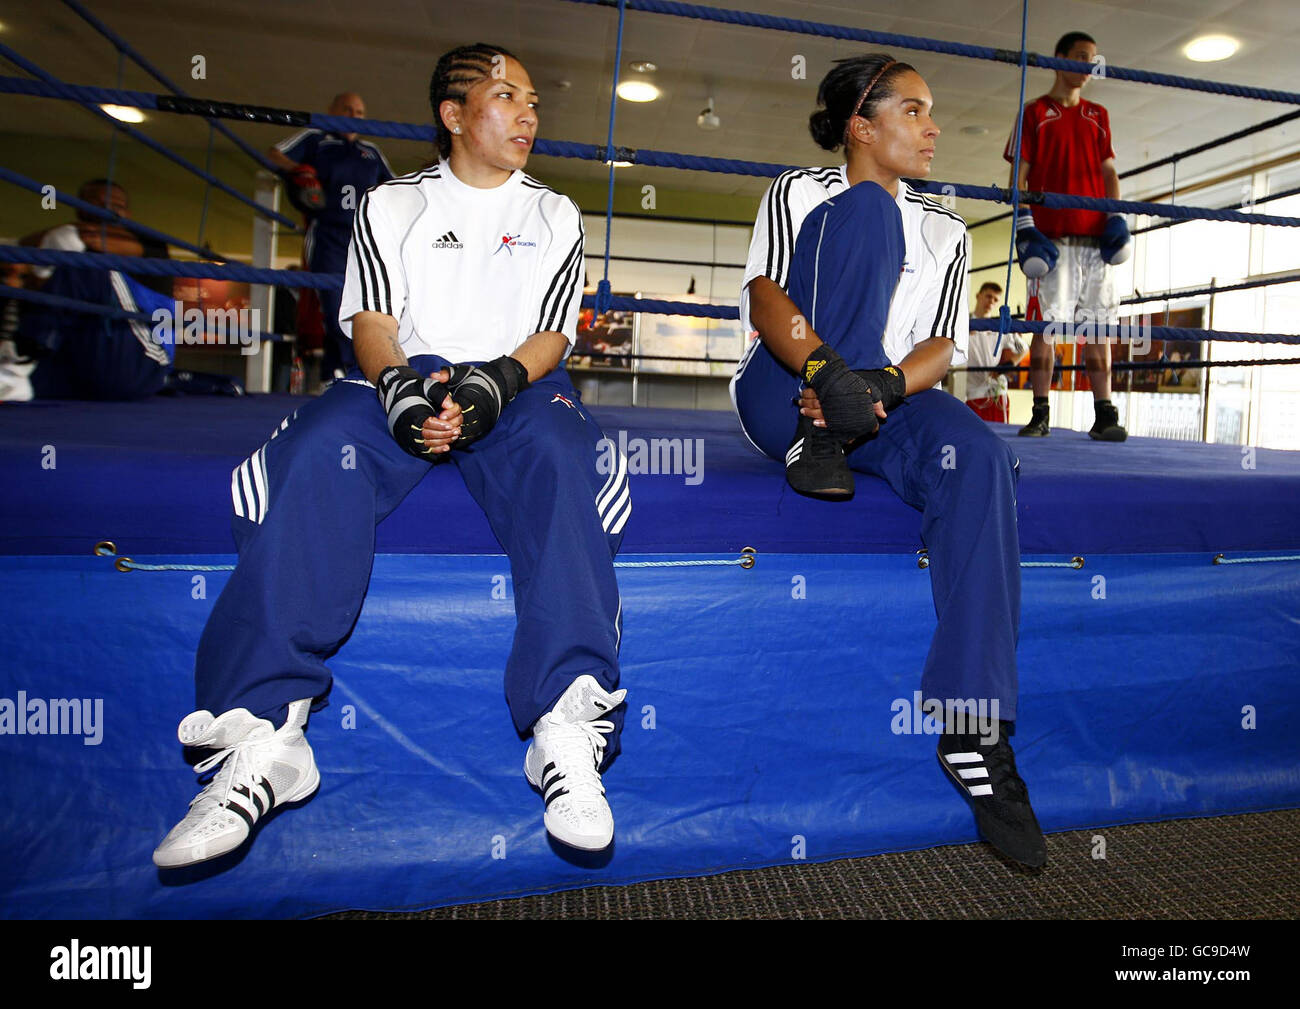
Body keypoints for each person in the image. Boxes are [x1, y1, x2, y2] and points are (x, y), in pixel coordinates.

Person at [154, 43, 629, 868]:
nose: (528, 113)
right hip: (403, 372)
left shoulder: (556, 213)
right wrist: (405, 390)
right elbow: (372, 320)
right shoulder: (391, 202)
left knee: (560, 450)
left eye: (534, 102)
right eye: (507, 96)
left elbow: (551, 332)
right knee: (318, 449)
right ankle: (264, 738)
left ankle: (565, 725)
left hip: (515, 386)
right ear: (453, 114)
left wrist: (497, 384)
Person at [730, 53, 1046, 867]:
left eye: (930, 112)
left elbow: (942, 347)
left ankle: (974, 728)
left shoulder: (945, 228)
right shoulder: (801, 191)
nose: (933, 127)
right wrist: (825, 373)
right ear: (859, 125)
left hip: (882, 403)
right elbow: (766, 299)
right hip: (784, 386)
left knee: (980, 458)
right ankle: (821, 427)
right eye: (913, 111)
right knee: (869, 211)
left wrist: (872, 383)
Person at [1006, 31, 1131, 441]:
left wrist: (1115, 214)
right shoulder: (1035, 111)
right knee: (1046, 327)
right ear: (1059, 59)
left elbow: (1111, 172)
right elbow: (1018, 174)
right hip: (1052, 236)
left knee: (1099, 328)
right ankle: (1040, 411)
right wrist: (1024, 222)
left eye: (1093, 59)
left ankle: (1104, 412)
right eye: (1080, 57)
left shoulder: (1099, 114)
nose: (1088, 66)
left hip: (1095, 238)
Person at [3, 180, 176, 402]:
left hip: (140, 362)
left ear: (128, 213)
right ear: (80, 207)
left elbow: (92, 240)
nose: (109, 207)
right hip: (85, 366)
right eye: (99, 202)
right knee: (22, 278)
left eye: (117, 204)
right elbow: (21, 248)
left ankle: (19, 361)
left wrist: (63, 236)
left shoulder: (149, 242)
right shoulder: (64, 243)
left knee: (84, 264)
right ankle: (15, 366)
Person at [268, 93, 394, 382]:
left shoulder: (371, 151)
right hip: (326, 234)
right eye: (347, 109)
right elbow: (275, 154)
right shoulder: (316, 138)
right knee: (333, 306)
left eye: (360, 112)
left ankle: (342, 373)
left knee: (365, 304)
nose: (354, 116)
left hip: (364, 238)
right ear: (331, 111)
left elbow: (395, 187)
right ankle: (342, 373)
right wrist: (298, 170)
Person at [964, 280, 1028, 422]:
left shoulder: (999, 327)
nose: (991, 302)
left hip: (997, 393)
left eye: (995, 299)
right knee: (974, 438)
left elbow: (1023, 348)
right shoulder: (962, 324)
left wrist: (1008, 365)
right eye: (988, 296)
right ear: (978, 295)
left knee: (999, 437)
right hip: (974, 392)